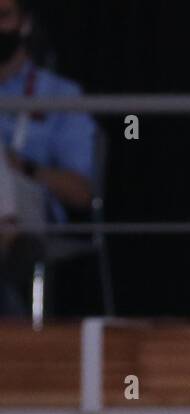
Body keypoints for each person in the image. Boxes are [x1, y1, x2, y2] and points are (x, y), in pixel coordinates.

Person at [0, 0, 95, 314]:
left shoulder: (60, 94)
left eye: (3, 16)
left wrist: (23, 166)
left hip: (33, 212)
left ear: (24, 23)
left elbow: (83, 192)